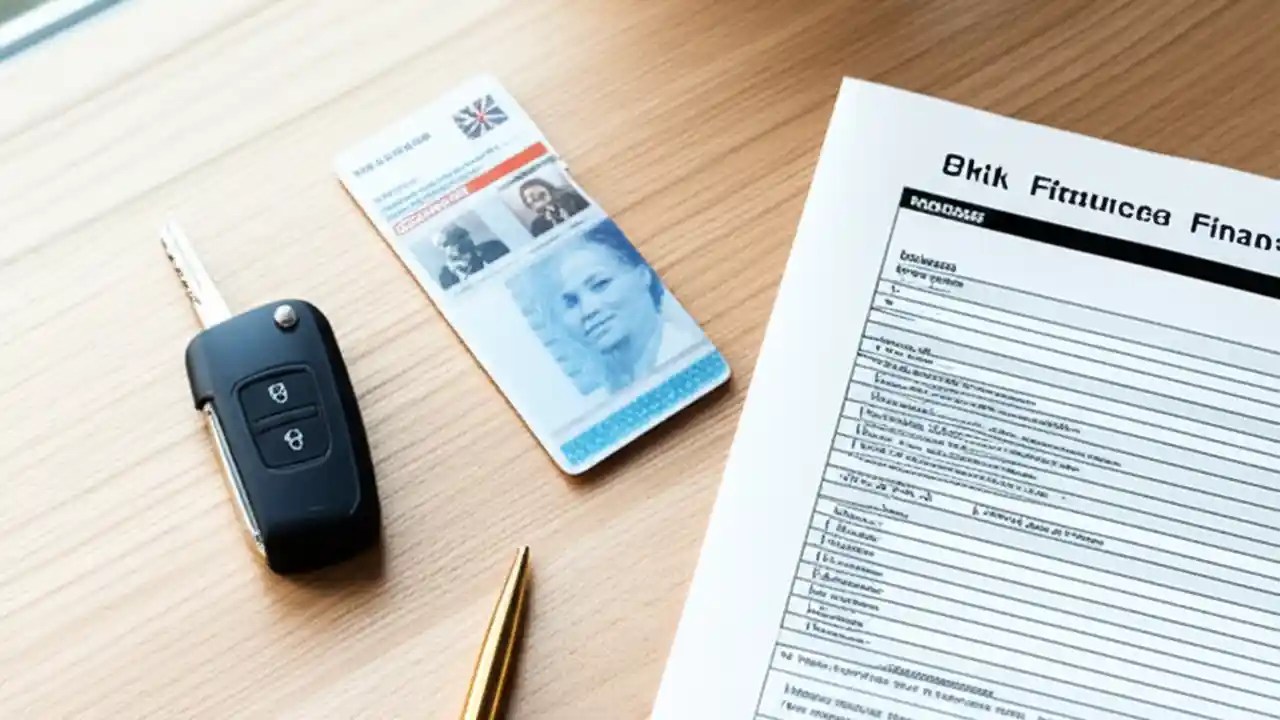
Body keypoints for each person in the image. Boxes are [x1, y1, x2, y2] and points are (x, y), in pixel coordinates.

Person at [549, 221, 698, 393]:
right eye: (571, 302)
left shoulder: (688, 357)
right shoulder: (603, 397)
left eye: (600, 284)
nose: (589, 310)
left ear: (643, 275)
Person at [436, 224, 509, 289]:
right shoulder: (447, 277)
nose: (465, 240)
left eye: (464, 235)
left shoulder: (494, 248)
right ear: (444, 247)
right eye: (455, 240)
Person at [518, 177, 590, 237]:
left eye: (542, 195)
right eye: (533, 198)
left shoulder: (575, 199)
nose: (537, 198)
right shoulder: (537, 226)